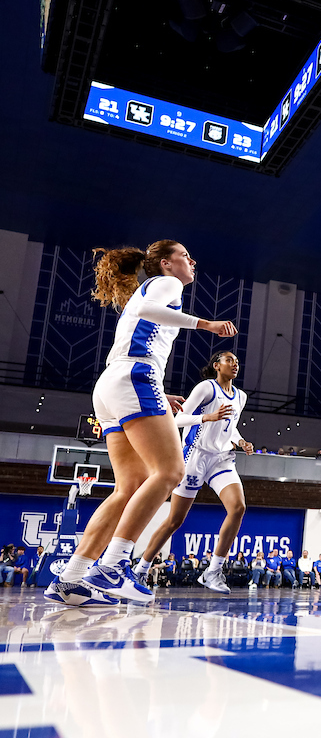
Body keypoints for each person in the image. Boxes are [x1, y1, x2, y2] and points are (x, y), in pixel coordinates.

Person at [46, 241, 236, 607]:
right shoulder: (167, 284)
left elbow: (135, 337)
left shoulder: (150, 287)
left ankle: (71, 578)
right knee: (170, 472)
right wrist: (206, 324)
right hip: (135, 375)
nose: (192, 260)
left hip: (113, 383)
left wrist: (159, 393)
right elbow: (150, 313)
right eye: (185, 255)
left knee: (129, 486)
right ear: (166, 263)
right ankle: (112, 565)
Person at [134, 349, 253, 594]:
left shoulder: (241, 396)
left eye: (237, 361)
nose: (235, 364)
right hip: (194, 456)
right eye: (229, 360)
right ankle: (141, 570)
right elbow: (175, 419)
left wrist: (240, 441)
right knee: (174, 521)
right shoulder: (206, 388)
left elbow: (230, 428)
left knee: (238, 507)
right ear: (216, 365)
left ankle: (213, 571)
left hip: (221, 459)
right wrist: (206, 418)